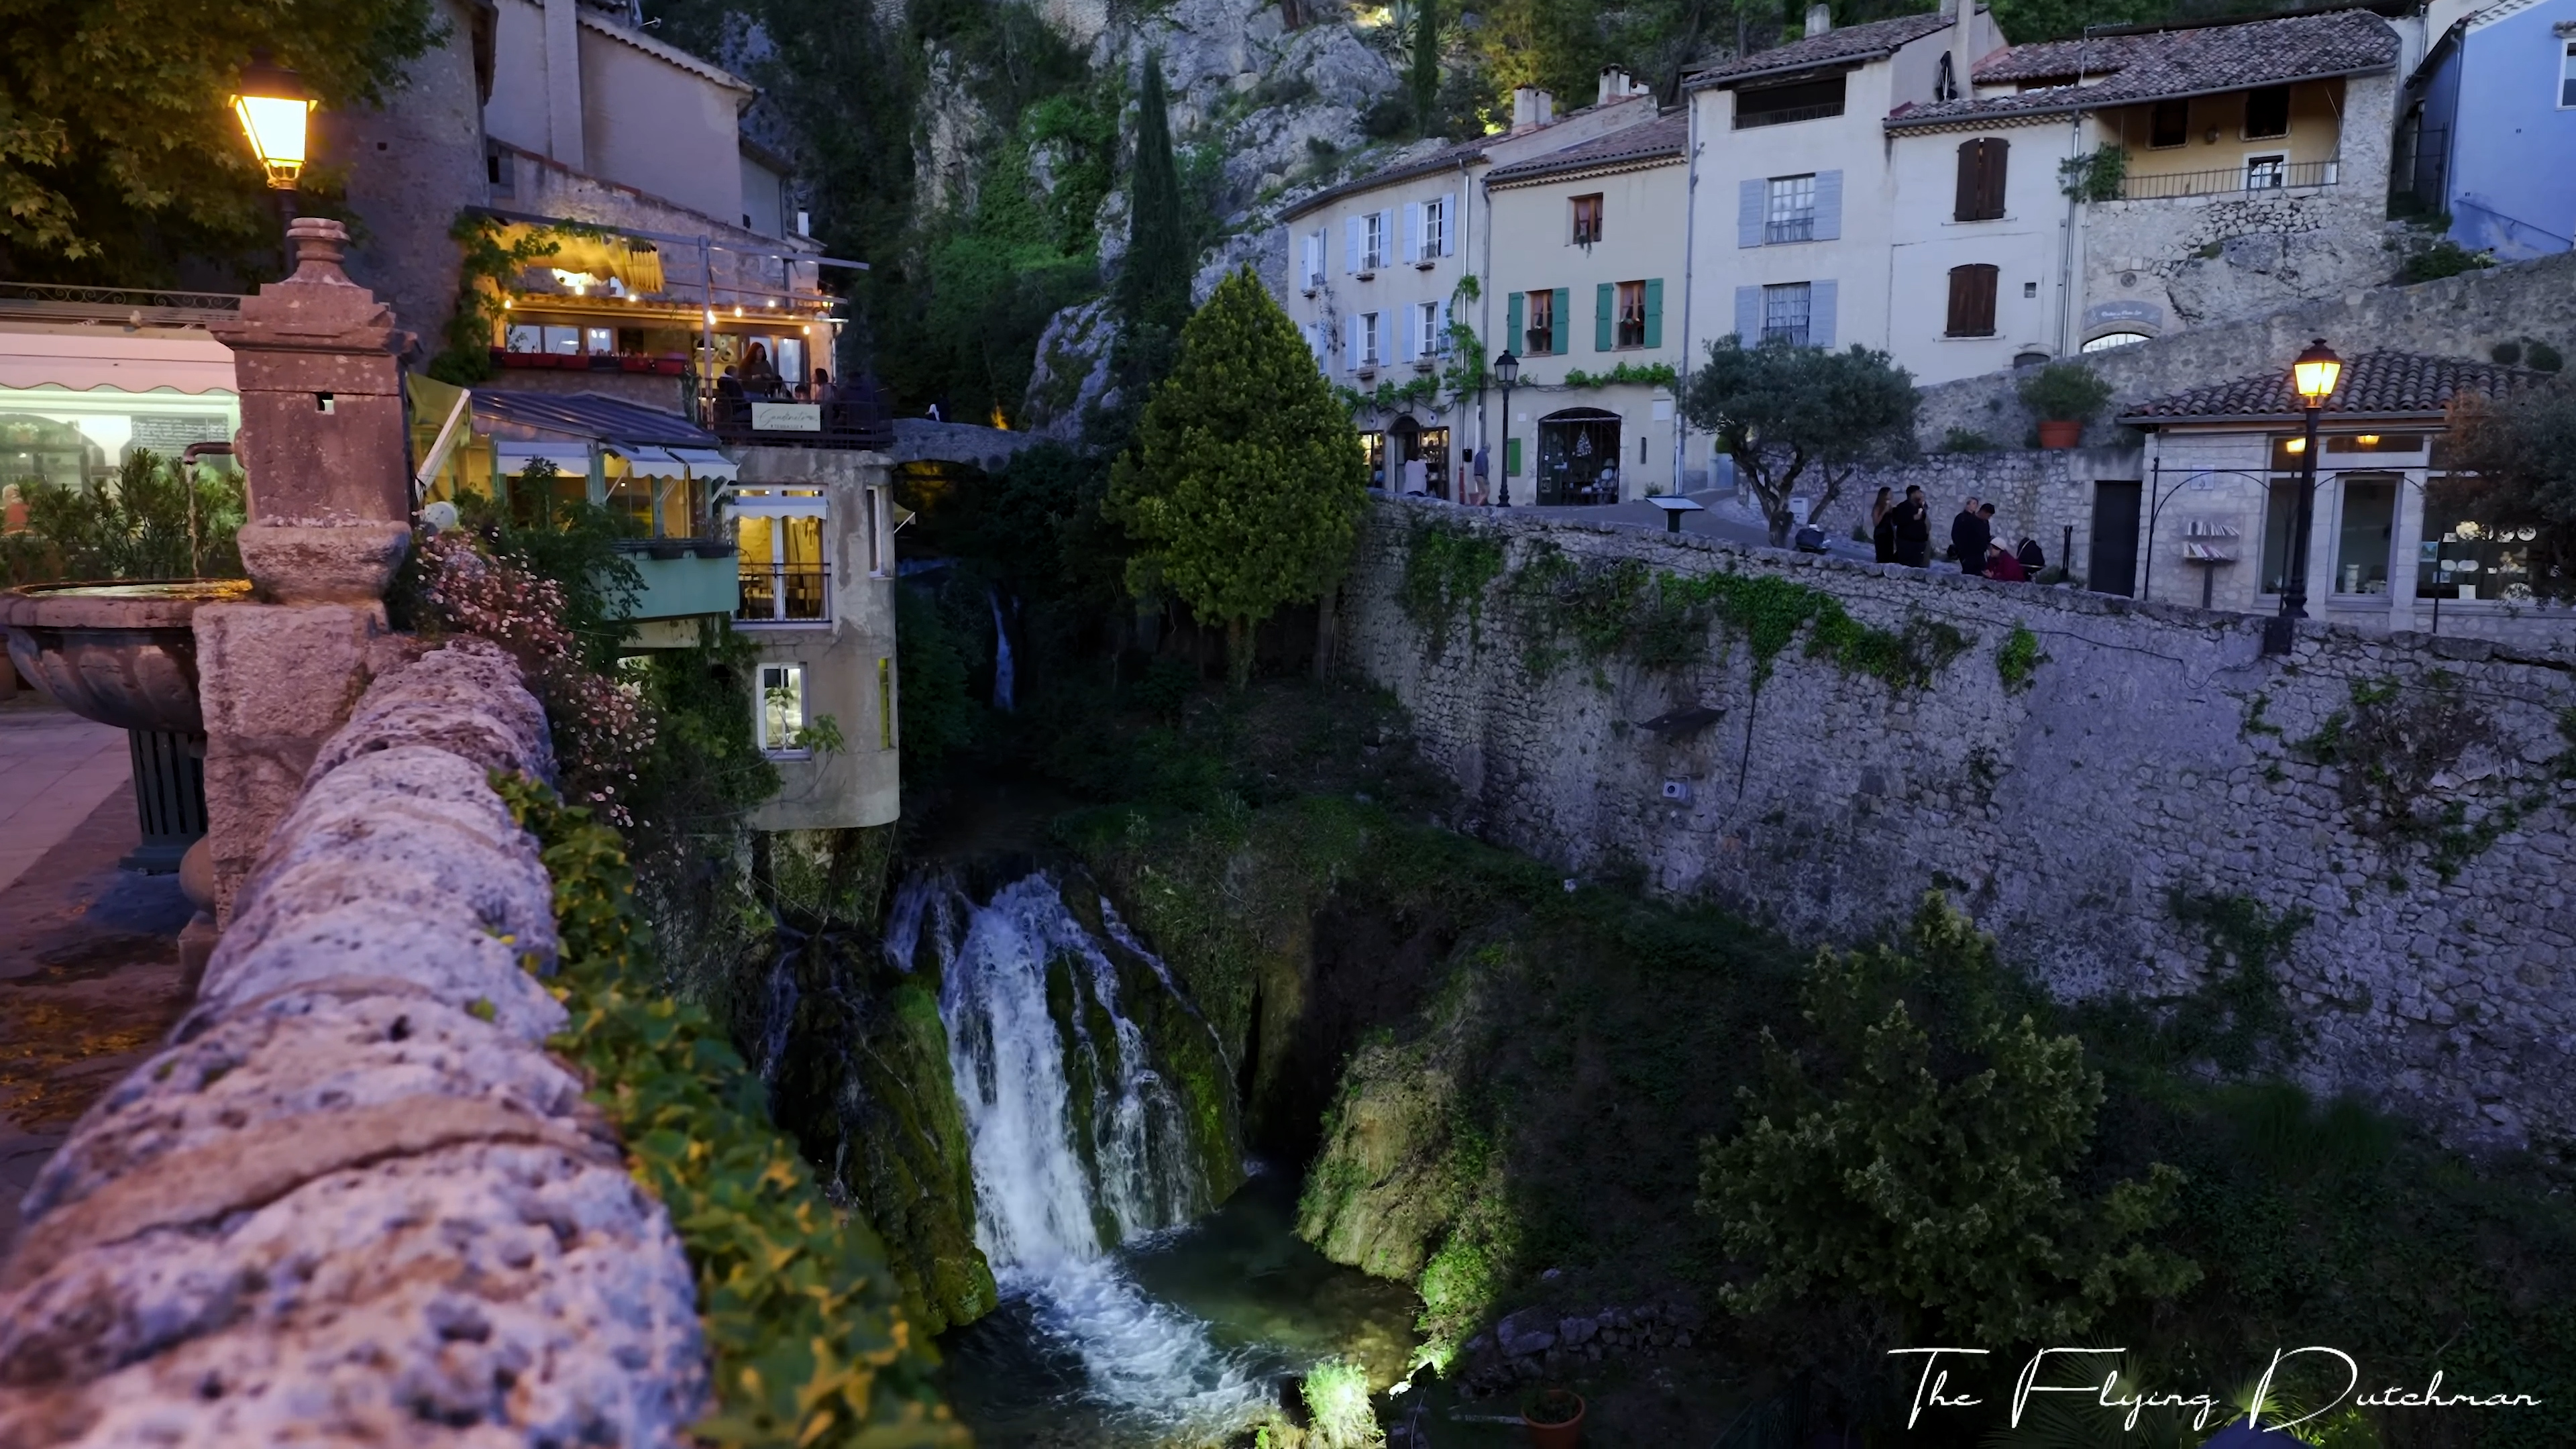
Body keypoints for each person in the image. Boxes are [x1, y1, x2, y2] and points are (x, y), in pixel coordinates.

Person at [1892, 486, 1932, 567]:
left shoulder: (1920, 506)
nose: (1920, 494)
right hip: (1907, 543)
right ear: (1912, 494)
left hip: (1919, 543)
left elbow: (1924, 519)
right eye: (1918, 492)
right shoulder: (1902, 507)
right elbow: (1897, 520)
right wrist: (1913, 518)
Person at [1953, 496, 1992, 577]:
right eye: (1973, 503)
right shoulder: (1962, 518)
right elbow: (1956, 535)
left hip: (1980, 554)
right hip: (1967, 554)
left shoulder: (1983, 522)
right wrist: (1962, 552)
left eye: (1976, 504)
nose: (1975, 506)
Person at [1870, 486, 1897, 564]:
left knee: (1889, 557)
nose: (1891, 495)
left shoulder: (1890, 507)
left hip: (1889, 534)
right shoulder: (1878, 508)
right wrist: (1884, 512)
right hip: (1881, 535)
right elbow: (1876, 523)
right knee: (1882, 557)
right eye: (1889, 494)